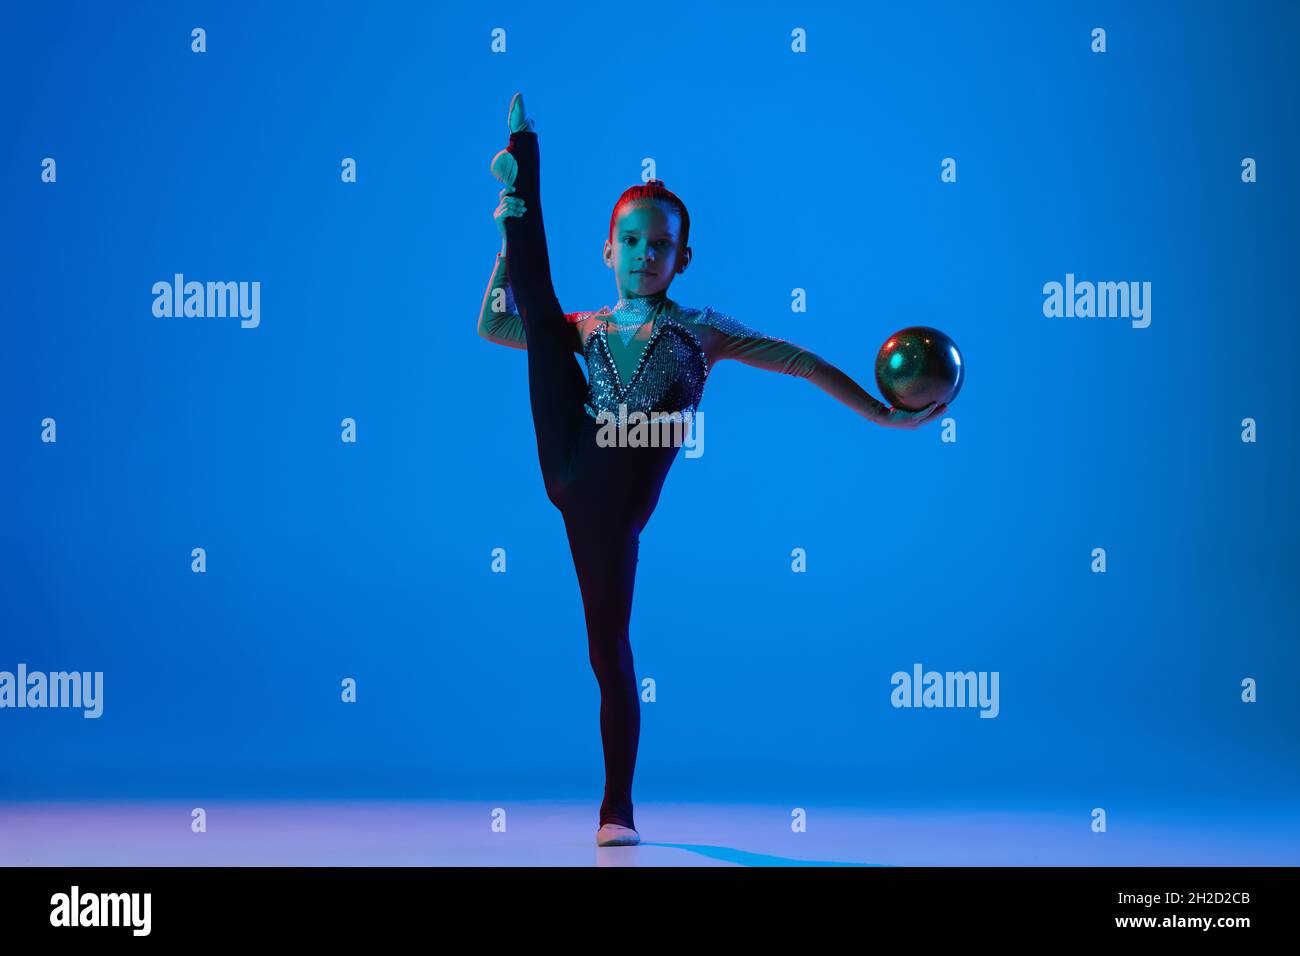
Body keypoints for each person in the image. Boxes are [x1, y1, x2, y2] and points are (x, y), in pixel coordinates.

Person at [478, 93, 945, 847]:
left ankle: (616, 808)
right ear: (609, 250)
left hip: (608, 504)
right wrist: (506, 253)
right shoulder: (588, 327)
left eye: (658, 246)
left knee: (608, 650)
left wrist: (879, 412)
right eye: (629, 242)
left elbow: (800, 361)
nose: (642, 256)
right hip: (568, 451)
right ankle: (518, 180)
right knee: (540, 312)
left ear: (681, 259)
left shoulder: (704, 331)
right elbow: (495, 323)